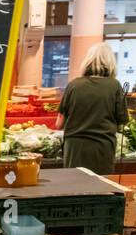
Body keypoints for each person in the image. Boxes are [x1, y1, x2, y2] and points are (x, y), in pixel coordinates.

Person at [55, 43, 129, 173]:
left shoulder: (74, 85)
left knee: (74, 187)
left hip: (75, 147)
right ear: (111, 63)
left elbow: (59, 124)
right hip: (103, 147)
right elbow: (122, 121)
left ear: (87, 61)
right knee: (101, 187)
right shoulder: (115, 86)